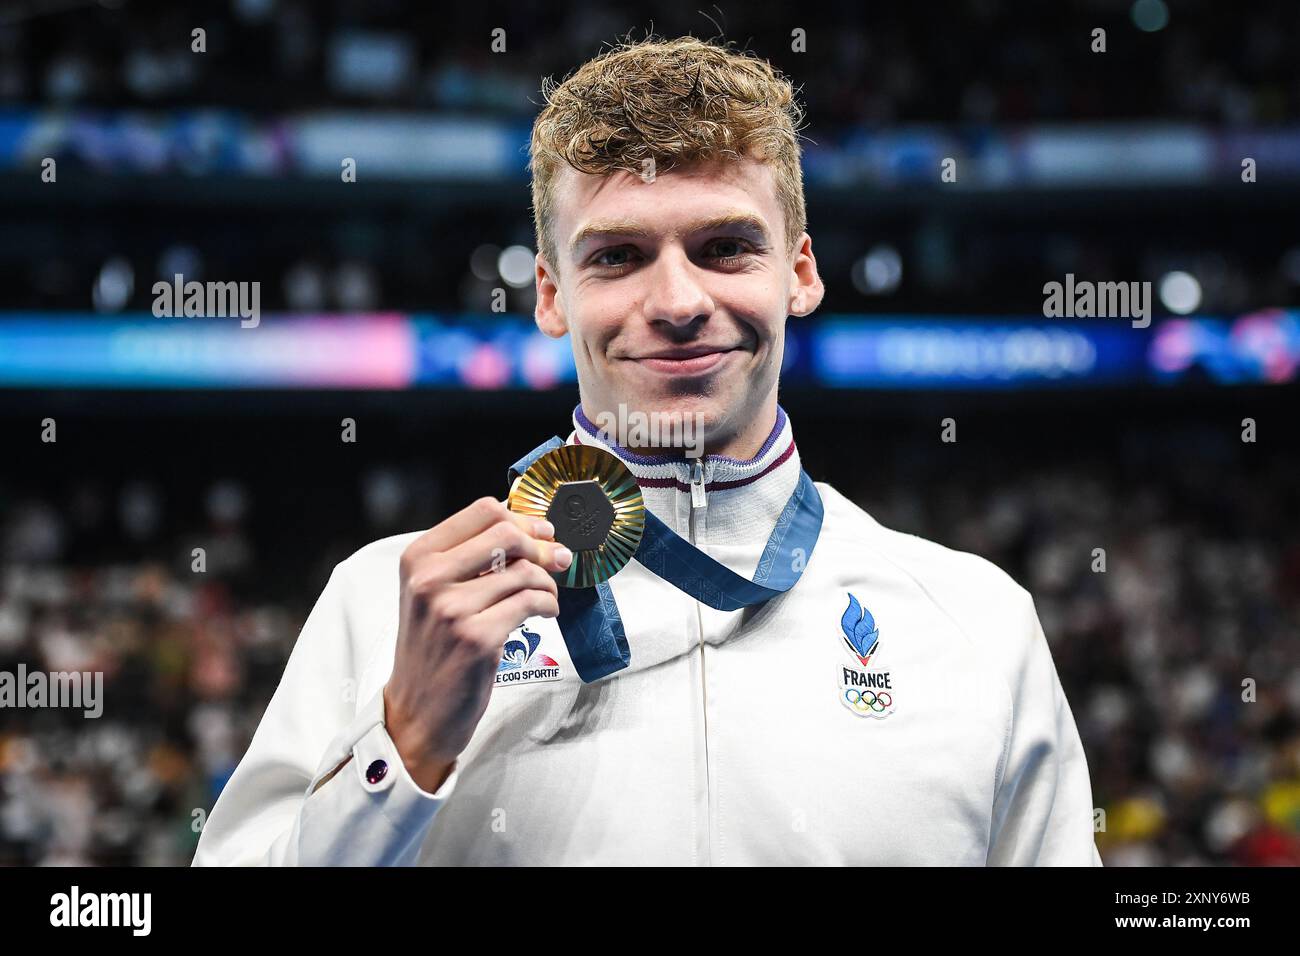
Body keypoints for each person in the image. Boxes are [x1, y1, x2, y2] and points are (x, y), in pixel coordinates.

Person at [192, 35, 1102, 866]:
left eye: (724, 247)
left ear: (801, 272)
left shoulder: (975, 624)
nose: (676, 302)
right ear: (551, 294)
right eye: (618, 257)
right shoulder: (390, 603)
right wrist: (403, 747)